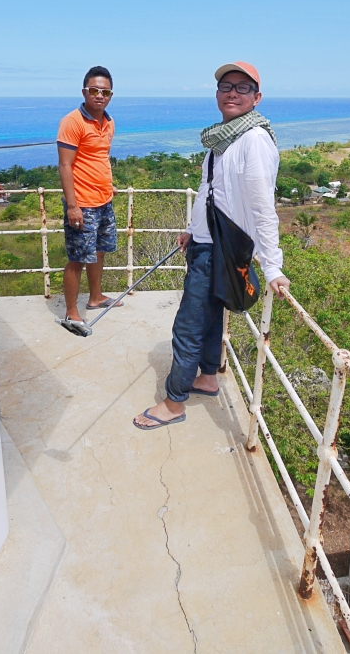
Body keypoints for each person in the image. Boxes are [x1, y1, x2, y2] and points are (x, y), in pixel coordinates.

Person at [134, 60, 290, 430]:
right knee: (207, 319)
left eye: (242, 88)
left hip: (223, 248)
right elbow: (210, 190)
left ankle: (173, 403)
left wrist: (272, 267)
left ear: (257, 97)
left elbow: (262, 207)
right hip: (207, 242)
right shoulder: (223, 139)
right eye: (225, 87)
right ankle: (206, 376)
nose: (232, 93)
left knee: (188, 325)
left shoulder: (253, 140)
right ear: (217, 94)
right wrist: (192, 228)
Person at [57, 66, 122, 333]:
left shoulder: (108, 122)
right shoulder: (72, 122)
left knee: (99, 251)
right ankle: (72, 312)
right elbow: (64, 165)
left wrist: (108, 185)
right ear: (84, 91)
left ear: (110, 95)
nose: (99, 95)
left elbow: (98, 158)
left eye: (104, 91)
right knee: (78, 257)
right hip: (82, 203)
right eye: (94, 90)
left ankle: (95, 297)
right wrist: (73, 205)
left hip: (103, 200)